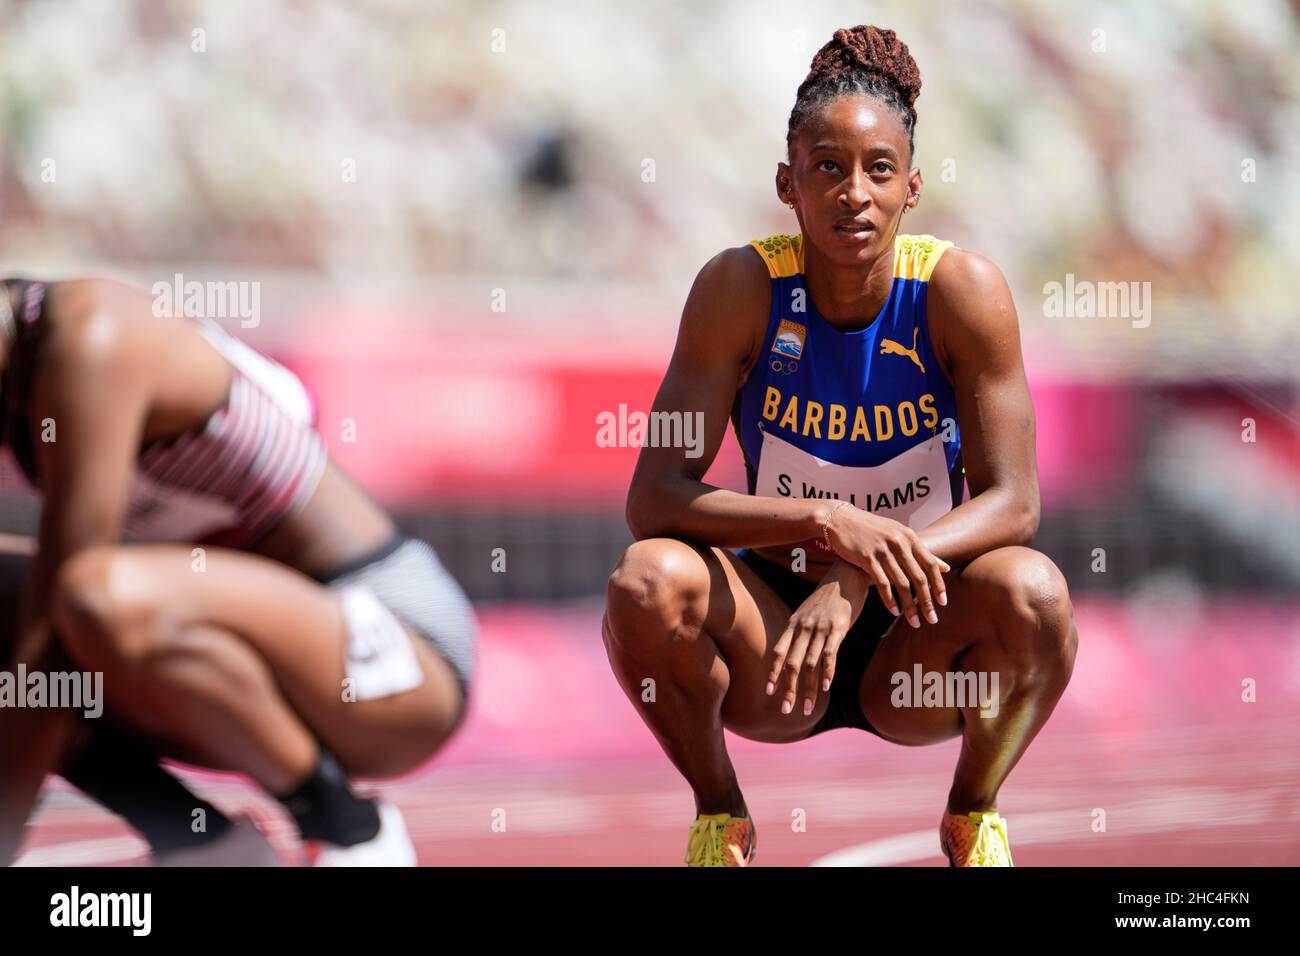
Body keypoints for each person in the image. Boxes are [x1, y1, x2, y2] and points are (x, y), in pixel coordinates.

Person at [602, 25, 1077, 867]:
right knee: (646, 582)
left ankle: (973, 813)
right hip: (777, 651)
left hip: (917, 644)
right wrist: (823, 522)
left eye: (878, 170)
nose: (853, 192)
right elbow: (654, 499)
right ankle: (721, 816)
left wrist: (857, 572)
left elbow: (1018, 502)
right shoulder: (738, 289)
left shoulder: (961, 293)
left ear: (913, 188)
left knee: (1034, 594)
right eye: (827, 167)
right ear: (788, 184)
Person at [0, 275, 476, 865]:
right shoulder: (16, 378)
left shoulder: (91, 337)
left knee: (92, 597)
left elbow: (48, 641)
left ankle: (351, 827)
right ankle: (202, 843)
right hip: (247, 667)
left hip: (395, 648)